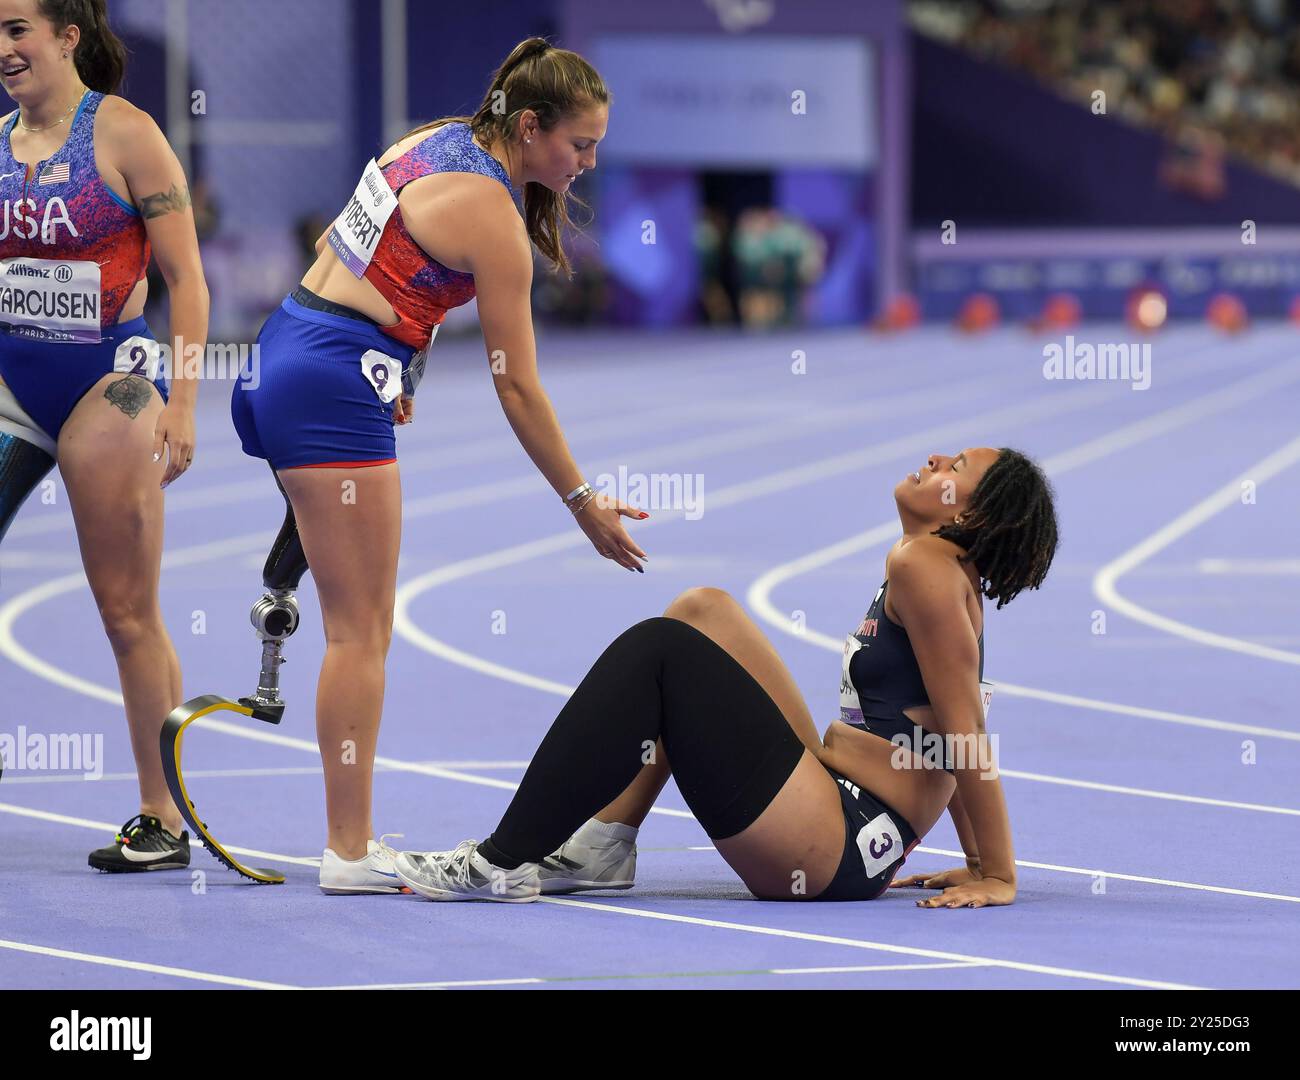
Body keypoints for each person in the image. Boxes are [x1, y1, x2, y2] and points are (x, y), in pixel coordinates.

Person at [229, 37, 647, 894]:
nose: (588, 164)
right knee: (360, 634)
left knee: (353, 621)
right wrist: (582, 500)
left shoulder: (430, 139)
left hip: (285, 354)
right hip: (331, 382)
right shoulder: (494, 217)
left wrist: (399, 369)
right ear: (529, 128)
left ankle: (349, 838)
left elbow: (358, 252)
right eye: (580, 145)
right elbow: (517, 385)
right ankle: (349, 852)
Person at [396, 448, 1059, 908]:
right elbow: (945, 725)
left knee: (661, 652)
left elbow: (965, 732)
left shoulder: (927, 569)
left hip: (839, 843)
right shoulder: (930, 566)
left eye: (956, 468)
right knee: (702, 611)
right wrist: (975, 861)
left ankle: (500, 861)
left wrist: (997, 873)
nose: (937, 459)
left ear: (970, 517)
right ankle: (604, 846)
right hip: (840, 799)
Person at [0, 0, 208, 870]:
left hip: (107, 388)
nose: (4, 48)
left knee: (126, 612)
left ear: (67, 36)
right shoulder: (0, 142)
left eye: (17, 28)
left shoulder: (124, 133)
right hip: (13, 385)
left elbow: (187, 278)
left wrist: (182, 403)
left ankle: (161, 818)